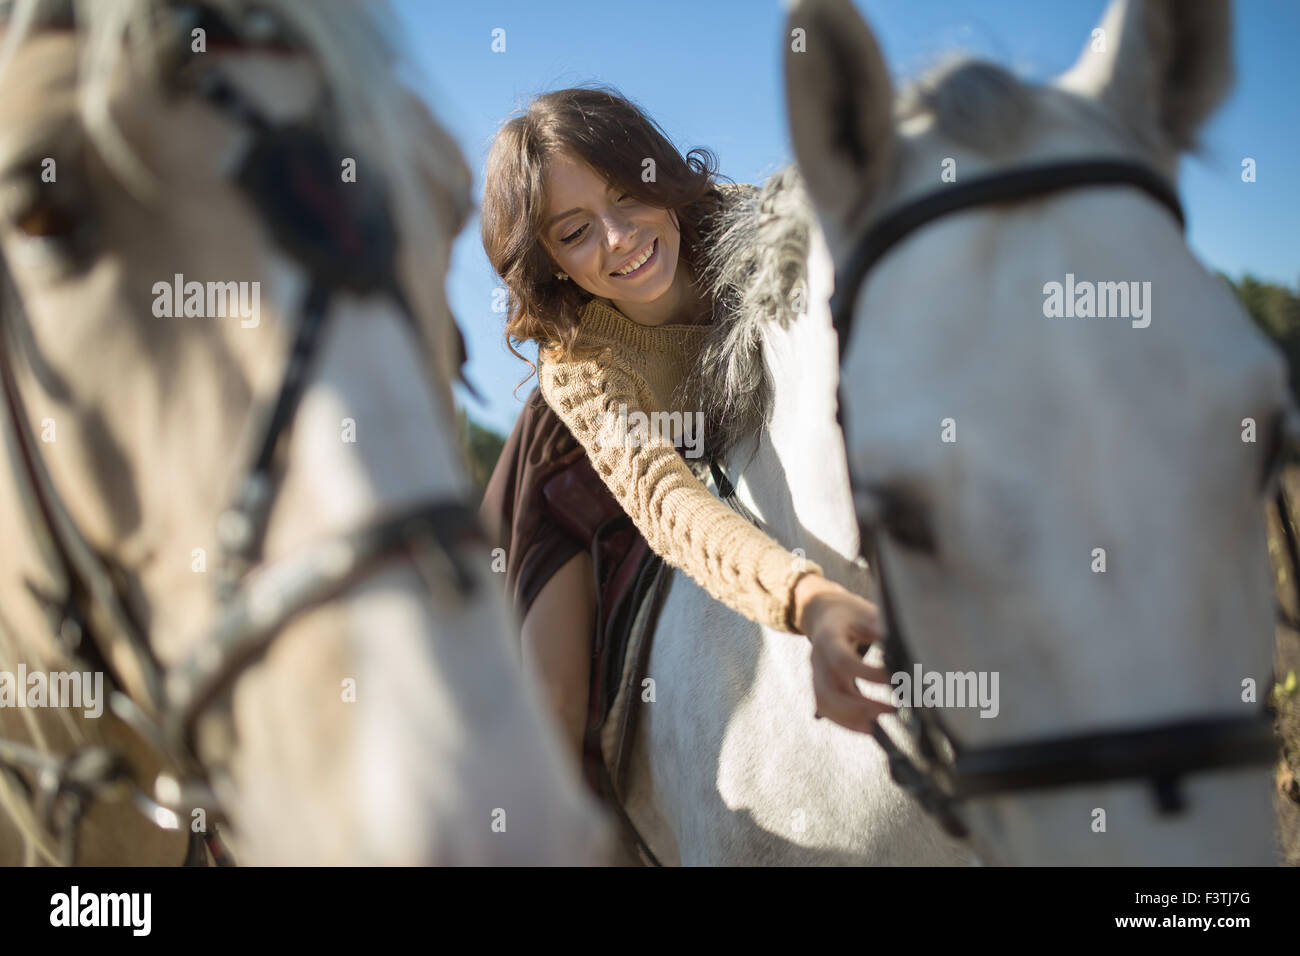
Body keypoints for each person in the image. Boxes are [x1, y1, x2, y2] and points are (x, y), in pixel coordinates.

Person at [478, 86, 892, 771]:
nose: (620, 239)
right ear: (550, 260)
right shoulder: (578, 366)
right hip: (579, 472)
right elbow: (669, 506)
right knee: (552, 712)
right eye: (576, 231)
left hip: (715, 435)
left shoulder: (754, 228)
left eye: (629, 194)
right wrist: (805, 598)